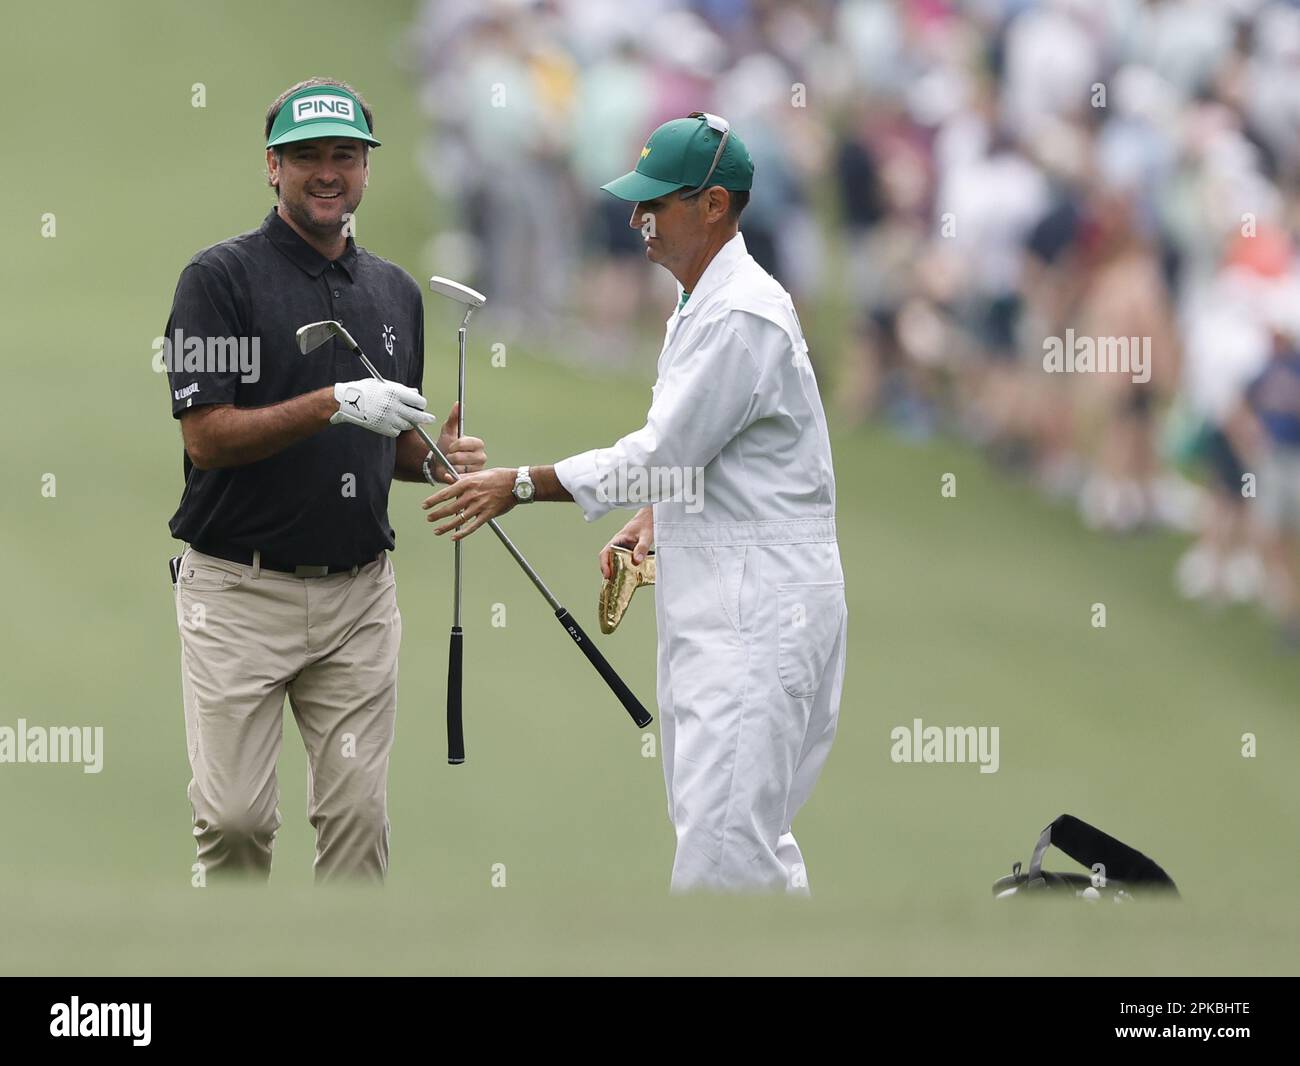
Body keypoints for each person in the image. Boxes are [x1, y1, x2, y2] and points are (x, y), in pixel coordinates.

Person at [422, 113, 846, 893]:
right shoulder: (701, 302)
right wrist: (662, 513)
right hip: (735, 594)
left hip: (760, 606)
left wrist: (519, 484)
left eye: (656, 203)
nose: (636, 220)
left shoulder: (739, 313)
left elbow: (660, 452)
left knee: (723, 863)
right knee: (746, 849)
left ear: (714, 205)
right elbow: (727, 451)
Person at [162, 77, 485, 884]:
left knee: (357, 823)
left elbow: (385, 448)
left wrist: (433, 456)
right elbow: (206, 437)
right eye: (307, 156)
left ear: (367, 169)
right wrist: (334, 402)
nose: (328, 171)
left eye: (345, 155)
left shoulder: (394, 293)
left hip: (358, 603)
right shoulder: (217, 280)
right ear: (273, 167)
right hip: (238, 593)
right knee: (235, 824)